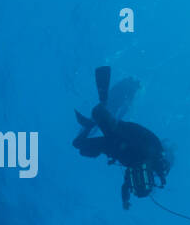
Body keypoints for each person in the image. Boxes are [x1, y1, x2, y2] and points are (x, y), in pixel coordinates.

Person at [72, 66, 172, 209]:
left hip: (117, 141)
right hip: (118, 140)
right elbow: (126, 186)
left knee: (91, 124)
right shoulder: (151, 163)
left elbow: (127, 185)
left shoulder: (152, 163)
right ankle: (99, 114)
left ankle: (93, 121)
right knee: (79, 141)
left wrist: (125, 200)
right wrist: (125, 200)